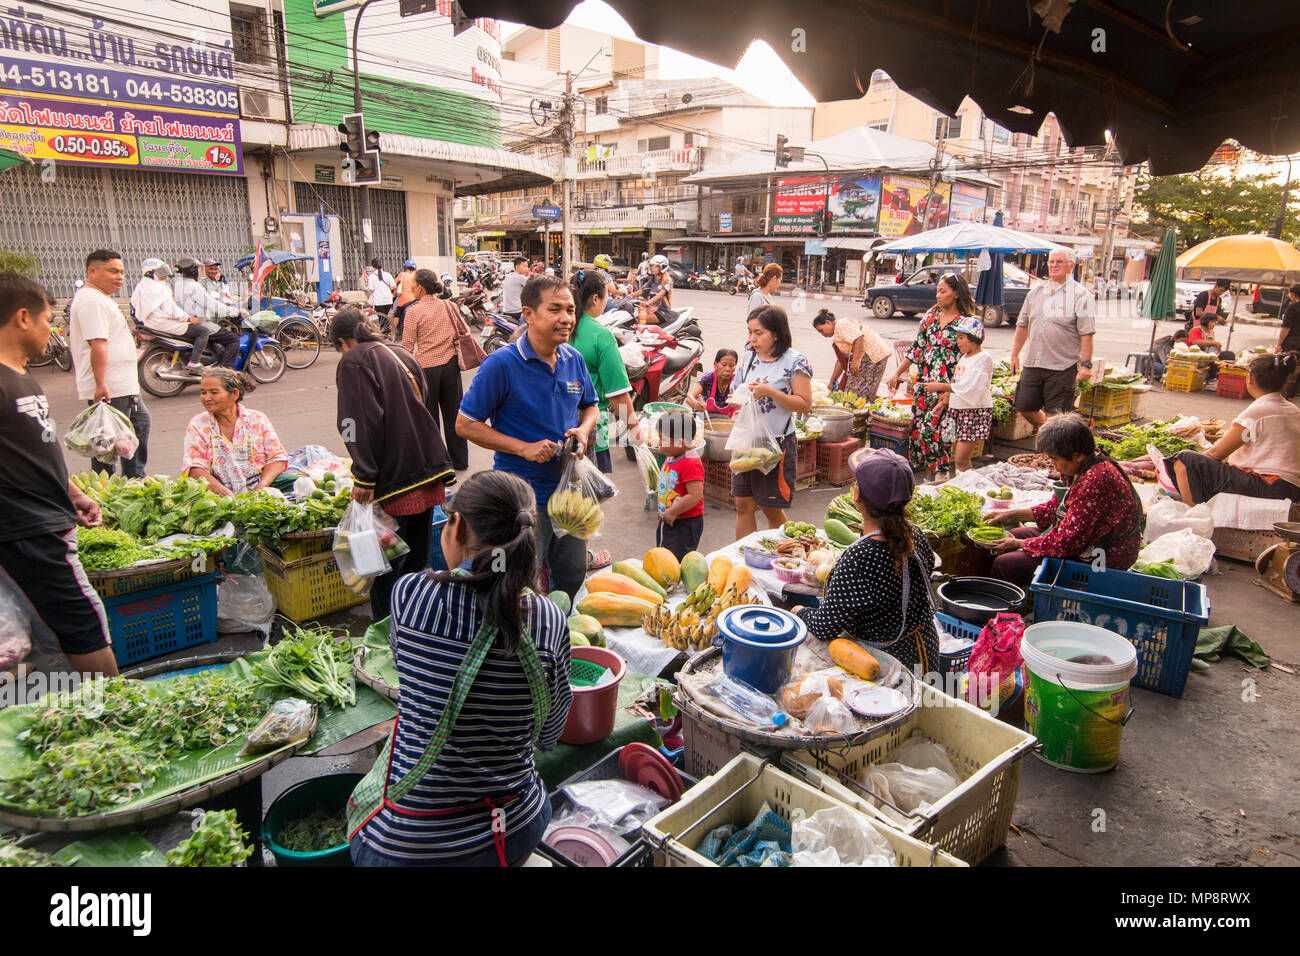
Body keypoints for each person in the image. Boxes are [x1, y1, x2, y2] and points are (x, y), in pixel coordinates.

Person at [348, 471, 571, 867]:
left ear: (455, 524)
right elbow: (549, 735)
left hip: (404, 846)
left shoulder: (410, 595)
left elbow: (408, 674)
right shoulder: (549, 621)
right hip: (511, 831)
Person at [0, 273, 117, 677]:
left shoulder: (21, 376)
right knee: (82, 625)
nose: (53, 329)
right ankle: (111, 712)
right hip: (28, 530)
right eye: (49, 319)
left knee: (59, 631)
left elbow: (31, 450)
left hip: (45, 520)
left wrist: (72, 493)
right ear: (22, 318)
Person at [456, 276, 599, 600]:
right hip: (522, 497)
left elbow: (590, 405)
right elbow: (465, 424)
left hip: (570, 493)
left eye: (570, 310)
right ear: (529, 314)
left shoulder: (572, 359)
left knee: (572, 572)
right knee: (520, 581)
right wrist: (524, 448)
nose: (566, 318)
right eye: (555, 309)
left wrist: (584, 430)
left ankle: (558, 632)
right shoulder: (501, 364)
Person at [331, 308, 454, 623]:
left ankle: (387, 633)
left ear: (343, 341)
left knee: (385, 566)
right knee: (415, 561)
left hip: (395, 476)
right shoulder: (399, 353)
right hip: (428, 470)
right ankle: (416, 627)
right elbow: (422, 403)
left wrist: (364, 475)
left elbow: (354, 422)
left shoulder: (355, 360)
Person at [793, 448, 939, 673]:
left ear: (857, 495)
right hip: (924, 651)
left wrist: (799, 611)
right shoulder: (915, 534)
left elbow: (824, 626)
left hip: (883, 664)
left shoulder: (859, 557)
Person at [984, 414, 1144, 587]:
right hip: (1080, 538)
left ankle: (1006, 610)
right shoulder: (1079, 467)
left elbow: (1066, 544)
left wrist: (1017, 544)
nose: (1052, 463)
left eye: (1054, 458)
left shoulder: (1096, 481)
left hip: (1100, 557)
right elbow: (1056, 508)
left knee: (1005, 564)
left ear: (1078, 455)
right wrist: (1009, 516)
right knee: (1009, 534)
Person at [1160, 353, 1300, 505]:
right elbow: (1247, 437)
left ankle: (1194, 514)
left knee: (1184, 460)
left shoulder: (1259, 411)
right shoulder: (1291, 409)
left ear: (1250, 378)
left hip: (1270, 487)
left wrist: (1198, 462)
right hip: (1290, 488)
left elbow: (1216, 454)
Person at [67, 248, 150, 479]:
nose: (120, 277)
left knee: (136, 430)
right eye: (113, 271)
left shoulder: (101, 298)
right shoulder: (92, 300)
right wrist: (101, 384)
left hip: (121, 384)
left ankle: (132, 481)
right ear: (91, 271)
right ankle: (114, 489)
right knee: (108, 447)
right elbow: (98, 344)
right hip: (112, 386)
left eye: (122, 272)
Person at [731, 305, 813, 537]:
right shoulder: (750, 358)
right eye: (750, 332)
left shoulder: (794, 362)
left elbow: (805, 404)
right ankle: (744, 559)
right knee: (743, 504)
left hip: (775, 445)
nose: (753, 338)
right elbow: (741, 390)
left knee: (770, 508)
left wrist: (770, 392)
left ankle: (779, 556)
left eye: (759, 333)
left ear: (776, 333)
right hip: (746, 440)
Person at [885, 272, 973, 481]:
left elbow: (969, 358)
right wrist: (897, 372)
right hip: (925, 384)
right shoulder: (930, 319)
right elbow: (917, 349)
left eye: (943, 291)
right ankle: (929, 476)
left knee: (942, 431)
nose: (938, 296)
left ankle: (942, 474)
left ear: (956, 294)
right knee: (921, 431)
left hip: (950, 385)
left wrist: (951, 391)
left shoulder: (966, 323)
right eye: (937, 292)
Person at [1009, 247, 1095, 430]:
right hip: (1033, 362)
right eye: (1051, 262)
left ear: (1071, 265)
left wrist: (1086, 365)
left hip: (1062, 366)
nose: (1054, 265)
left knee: (1055, 416)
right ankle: (1048, 432)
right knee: (1024, 406)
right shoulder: (1035, 292)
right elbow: (1022, 325)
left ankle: (1048, 452)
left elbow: (1087, 333)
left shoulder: (1081, 295)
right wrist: (1015, 354)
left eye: (1059, 262)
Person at [401, 269, 470, 472]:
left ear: (420, 287)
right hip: (450, 367)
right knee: (453, 415)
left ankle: (437, 463)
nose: (411, 287)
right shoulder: (449, 305)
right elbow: (464, 330)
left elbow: (406, 347)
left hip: (425, 370)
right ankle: (460, 461)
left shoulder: (413, 311)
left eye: (413, 284)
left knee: (429, 419)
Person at [569, 269, 637, 475]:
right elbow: (617, 394)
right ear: (596, 298)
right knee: (590, 501)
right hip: (591, 433)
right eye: (607, 295)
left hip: (556, 427)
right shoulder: (602, 336)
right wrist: (635, 428)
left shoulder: (557, 327)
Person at [182, 368, 288, 496]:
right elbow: (194, 468)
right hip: (215, 490)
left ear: (234, 394)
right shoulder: (199, 424)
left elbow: (277, 458)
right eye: (203, 392)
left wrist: (262, 485)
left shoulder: (257, 419)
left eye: (214, 392)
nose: (206, 398)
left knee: (304, 483)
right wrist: (224, 493)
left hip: (257, 483)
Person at [923, 316, 993, 473]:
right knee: (956, 456)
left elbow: (971, 387)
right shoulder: (964, 358)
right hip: (956, 410)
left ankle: (969, 488)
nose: (958, 342)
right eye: (957, 338)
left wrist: (940, 386)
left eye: (961, 338)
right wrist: (943, 402)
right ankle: (961, 484)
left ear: (974, 338)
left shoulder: (984, 358)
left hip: (973, 412)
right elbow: (956, 381)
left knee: (961, 459)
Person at [131, 258, 218, 370]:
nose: (164, 276)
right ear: (150, 273)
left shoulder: (142, 286)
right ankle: (194, 362)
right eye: (161, 273)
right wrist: (189, 319)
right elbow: (172, 311)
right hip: (163, 323)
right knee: (203, 331)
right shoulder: (159, 288)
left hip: (150, 323)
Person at [655, 410, 704, 560]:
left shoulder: (690, 463)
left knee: (677, 560)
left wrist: (673, 511)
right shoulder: (672, 456)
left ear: (681, 442)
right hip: (671, 519)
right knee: (666, 555)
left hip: (685, 524)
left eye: (662, 439)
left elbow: (695, 495)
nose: (659, 442)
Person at [812, 308, 890, 401]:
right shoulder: (837, 335)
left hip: (873, 355)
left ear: (828, 322)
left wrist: (855, 361)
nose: (822, 334)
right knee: (852, 392)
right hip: (867, 357)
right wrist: (832, 381)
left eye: (821, 330)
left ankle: (861, 412)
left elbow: (859, 337)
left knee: (859, 393)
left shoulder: (841, 325)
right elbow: (840, 362)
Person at [687, 349, 739, 418]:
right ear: (715, 364)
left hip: (725, 421)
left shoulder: (737, 381)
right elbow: (689, 398)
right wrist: (696, 404)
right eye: (724, 365)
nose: (727, 369)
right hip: (703, 418)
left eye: (731, 365)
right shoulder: (708, 378)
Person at [639, 255, 674, 325]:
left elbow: (660, 295)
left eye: (656, 266)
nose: (653, 268)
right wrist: (627, 296)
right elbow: (642, 291)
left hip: (662, 312)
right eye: (652, 266)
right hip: (652, 309)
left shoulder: (667, 280)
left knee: (639, 319)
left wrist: (647, 303)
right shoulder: (653, 278)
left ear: (663, 267)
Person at [393, 259, 419, 339]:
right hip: (414, 299)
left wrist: (394, 293)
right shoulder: (416, 276)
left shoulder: (402, 274)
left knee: (396, 315)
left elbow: (394, 283)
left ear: (406, 267)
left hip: (403, 299)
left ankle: (392, 333)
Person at [500, 256, 529, 323]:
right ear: (517, 267)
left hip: (506, 311)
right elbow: (533, 286)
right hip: (517, 312)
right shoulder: (520, 277)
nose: (527, 269)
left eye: (527, 266)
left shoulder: (508, 276)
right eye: (524, 266)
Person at [1278, 284, 1300, 354]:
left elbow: (1286, 328)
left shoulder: (1292, 308)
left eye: (1289, 293)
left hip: (1293, 343)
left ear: (1293, 294)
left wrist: (1279, 344)